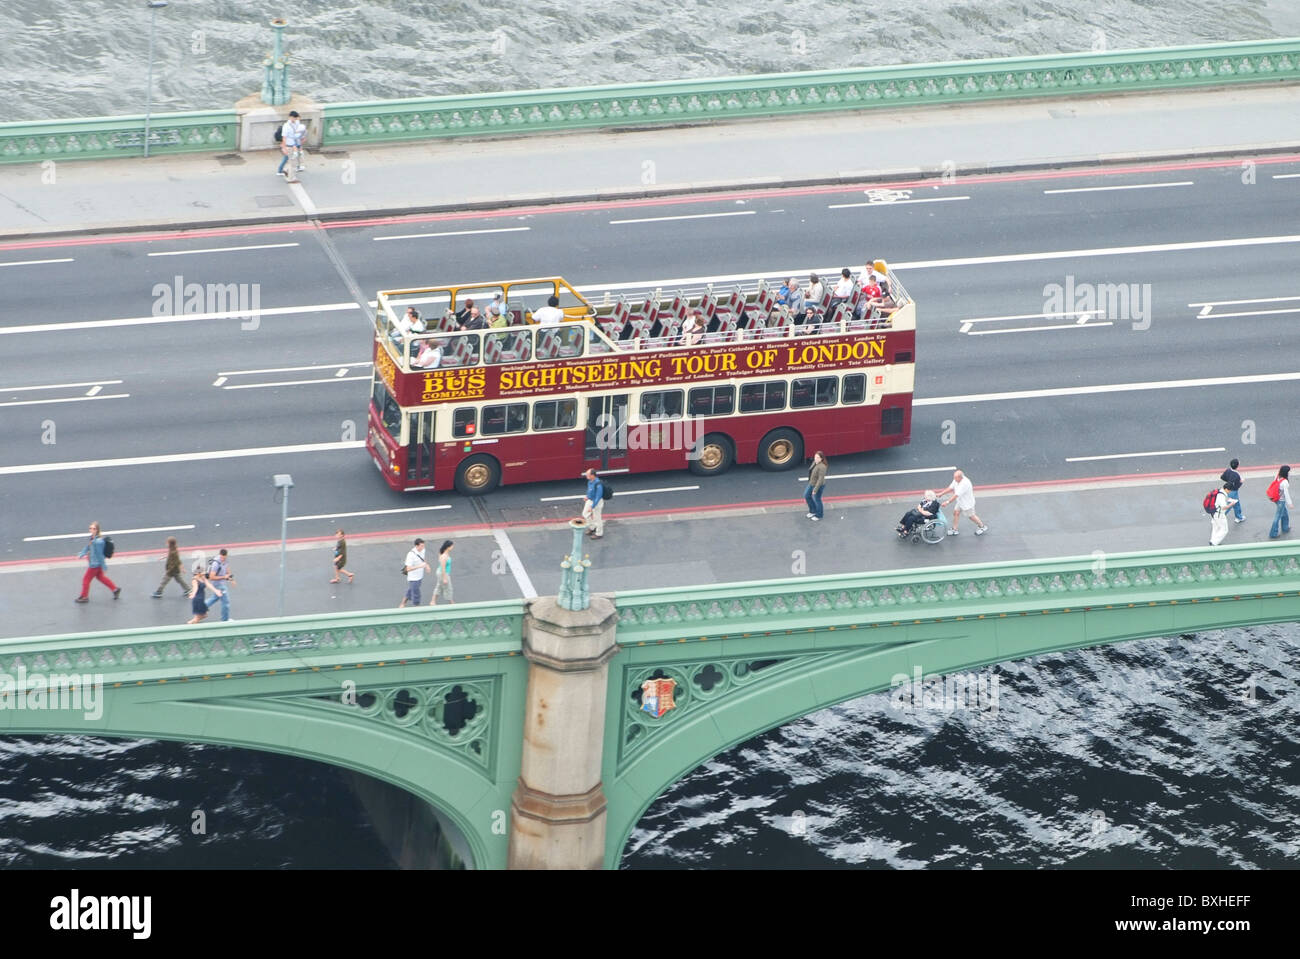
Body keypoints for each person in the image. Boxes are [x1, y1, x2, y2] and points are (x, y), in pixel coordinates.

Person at [75, 521, 120, 603]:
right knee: (101, 577)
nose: (91, 530)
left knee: (86, 580)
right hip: (94, 563)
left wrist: (103, 566)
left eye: (94, 529)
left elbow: (100, 555)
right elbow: (88, 547)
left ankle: (84, 597)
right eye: (90, 528)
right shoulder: (92, 538)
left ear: (97, 530)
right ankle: (115, 589)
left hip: (95, 564)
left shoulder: (98, 542)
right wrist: (82, 553)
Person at [941, 469, 988, 536]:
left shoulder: (965, 484)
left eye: (955, 477)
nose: (954, 479)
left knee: (971, 516)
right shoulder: (956, 480)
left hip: (967, 504)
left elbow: (956, 495)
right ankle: (954, 529)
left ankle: (982, 526)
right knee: (956, 513)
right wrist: (941, 494)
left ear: (960, 477)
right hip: (960, 501)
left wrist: (947, 502)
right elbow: (951, 488)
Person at [205, 548, 234, 621]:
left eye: (224, 557)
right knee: (226, 602)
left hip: (222, 583)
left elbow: (227, 570)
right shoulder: (216, 564)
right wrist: (224, 577)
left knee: (214, 598)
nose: (223, 558)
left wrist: (231, 579)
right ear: (220, 555)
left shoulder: (225, 561)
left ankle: (201, 607)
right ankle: (225, 620)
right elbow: (211, 577)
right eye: (222, 557)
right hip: (218, 585)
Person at [399, 538, 430, 607]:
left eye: (423, 546)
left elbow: (423, 559)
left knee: (411, 590)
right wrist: (419, 566)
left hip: (420, 576)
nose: (423, 547)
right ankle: (417, 607)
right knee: (416, 594)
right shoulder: (410, 555)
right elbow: (408, 568)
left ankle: (402, 603)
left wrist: (427, 566)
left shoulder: (423, 550)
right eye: (421, 546)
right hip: (413, 578)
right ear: (416, 546)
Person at [277, 110, 306, 181]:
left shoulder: (295, 123)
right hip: (289, 146)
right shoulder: (286, 126)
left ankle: (286, 171)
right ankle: (290, 177)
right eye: (294, 118)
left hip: (293, 145)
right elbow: (284, 137)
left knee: (291, 161)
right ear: (290, 117)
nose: (295, 120)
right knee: (292, 162)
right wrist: (284, 148)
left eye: (296, 118)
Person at [1269, 464, 1292, 539]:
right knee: (1278, 516)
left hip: (1275, 498)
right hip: (1281, 501)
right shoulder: (1285, 482)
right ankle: (1273, 533)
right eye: (1289, 471)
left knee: (1284, 513)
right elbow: (1286, 494)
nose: (1289, 473)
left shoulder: (1277, 476)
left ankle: (1285, 527)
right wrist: (1290, 503)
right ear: (1286, 473)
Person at [804, 451, 828, 521]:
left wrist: (815, 490)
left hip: (818, 486)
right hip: (811, 483)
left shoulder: (822, 467)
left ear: (821, 459)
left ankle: (819, 515)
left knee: (817, 499)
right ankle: (813, 511)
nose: (816, 458)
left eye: (818, 457)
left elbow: (820, 479)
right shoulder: (814, 462)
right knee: (806, 496)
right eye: (815, 457)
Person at [582, 469, 605, 539]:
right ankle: (592, 527)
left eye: (587, 475)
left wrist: (592, 506)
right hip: (590, 500)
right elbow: (589, 490)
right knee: (585, 514)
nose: (586, 476)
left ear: (592, 475)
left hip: (597, 502)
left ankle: (599, 533)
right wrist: (587, 496)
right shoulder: (590, 481)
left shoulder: (598, 484)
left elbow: (598, 497)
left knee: (597, 518)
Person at [431, 540, 454, 605]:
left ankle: (432, 601)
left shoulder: (445, 554)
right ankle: (451, 603)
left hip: (441, 572)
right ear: (448, 547)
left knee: (439, 587)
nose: (453, 547)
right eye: (452, 546)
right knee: (448, 588)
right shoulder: (444, 556)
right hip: (443, 573)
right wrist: (444, 578)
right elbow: (443, 567)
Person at [1221, 458, 1244, 523]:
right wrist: (1241, 482)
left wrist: (1228, 481)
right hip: (1233, 491)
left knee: (1236, 503)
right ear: (1237, 466)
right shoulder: (1237, 475)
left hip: (1227, 489)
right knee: (1230, 505)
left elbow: (1222, 477)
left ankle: (1239, 517)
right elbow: (1237, 486)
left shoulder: (1228, 470)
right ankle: (1220, 516)